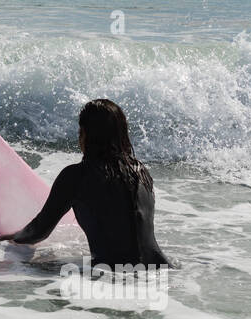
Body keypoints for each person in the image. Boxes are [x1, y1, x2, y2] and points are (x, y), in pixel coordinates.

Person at [9, 98, 174, 269]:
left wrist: (11, 237)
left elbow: (38, 232)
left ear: (85, 134)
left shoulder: (76, 176)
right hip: (161, 270)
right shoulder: (140, 172)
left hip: (115, 275)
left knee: (30, 269)